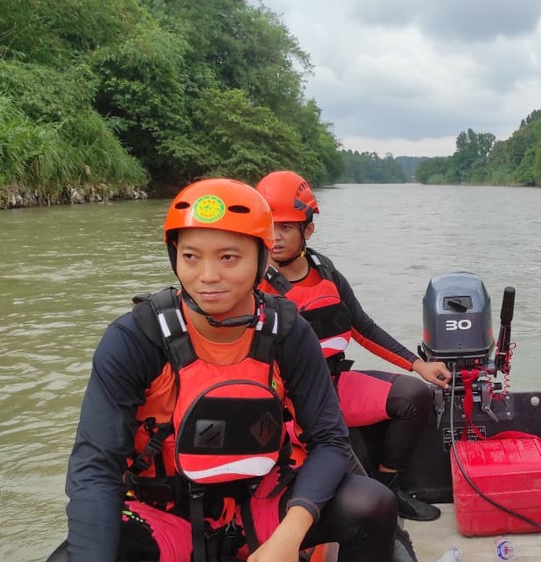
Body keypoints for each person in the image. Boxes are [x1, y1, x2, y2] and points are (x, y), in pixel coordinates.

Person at [49, 178, 397, 562]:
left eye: (228, 257)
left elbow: (329, 441)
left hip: (262, 503)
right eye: (190, 256)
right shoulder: (135, 339)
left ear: (261, 259)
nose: (207, 276)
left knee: (372, 504)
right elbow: (95, 468)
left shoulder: (288, 332)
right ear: (174, 256)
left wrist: (290, 534)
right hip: (164, 515)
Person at [254, 170, 451, 522]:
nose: (275, 237)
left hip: (334, 383)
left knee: (415, 396)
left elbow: (362, 327)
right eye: (269, 226)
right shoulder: (251, 285)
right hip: (289, 403)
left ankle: (390, 485)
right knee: (352, 484)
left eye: (285, 227)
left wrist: (418, 364)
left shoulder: (326, 273)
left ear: (307, 230)